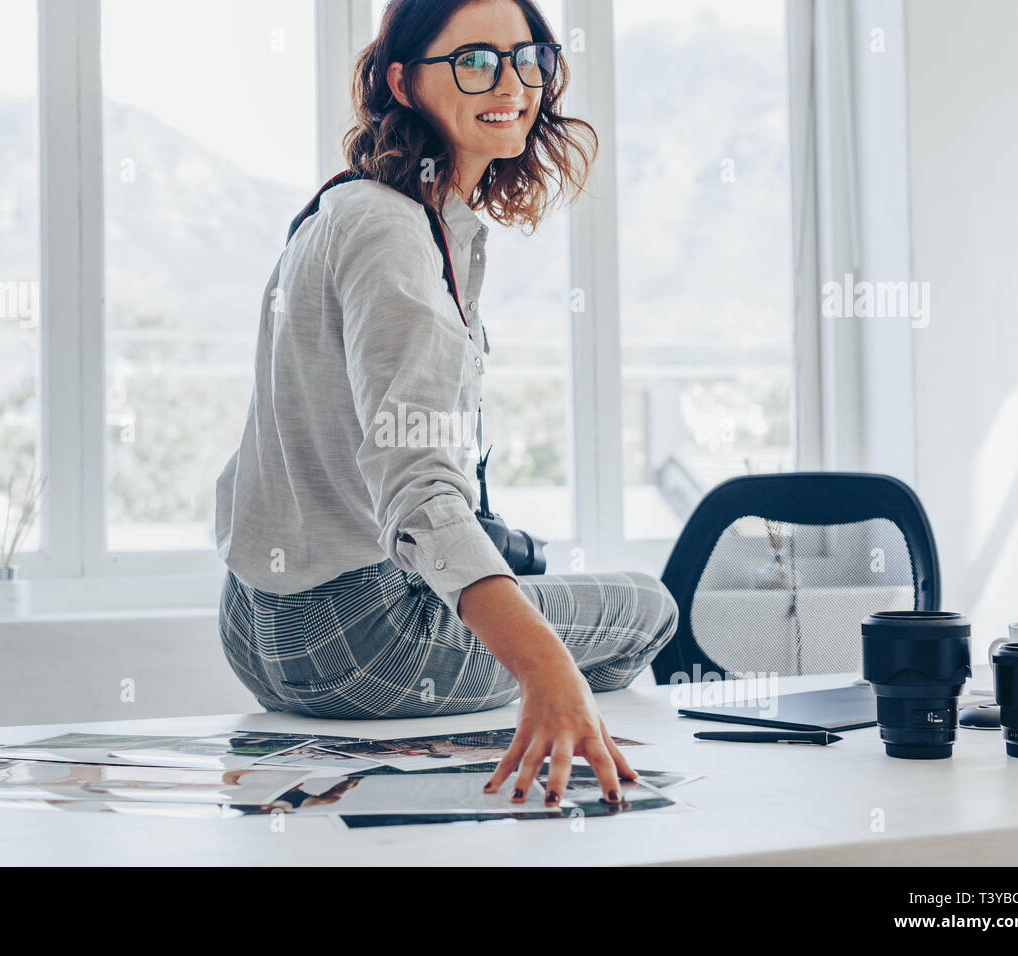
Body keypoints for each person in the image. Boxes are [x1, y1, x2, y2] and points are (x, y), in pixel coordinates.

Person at [215, 0, 677, 807]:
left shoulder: (345, 207)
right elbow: (421, 489)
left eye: (527, 56)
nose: (511, 82)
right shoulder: (394, 231)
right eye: (473, 60)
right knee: (649, 606)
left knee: (521, 573)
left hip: (252, 631)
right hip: (360, 646)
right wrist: (545, 667)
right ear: (402, 80)